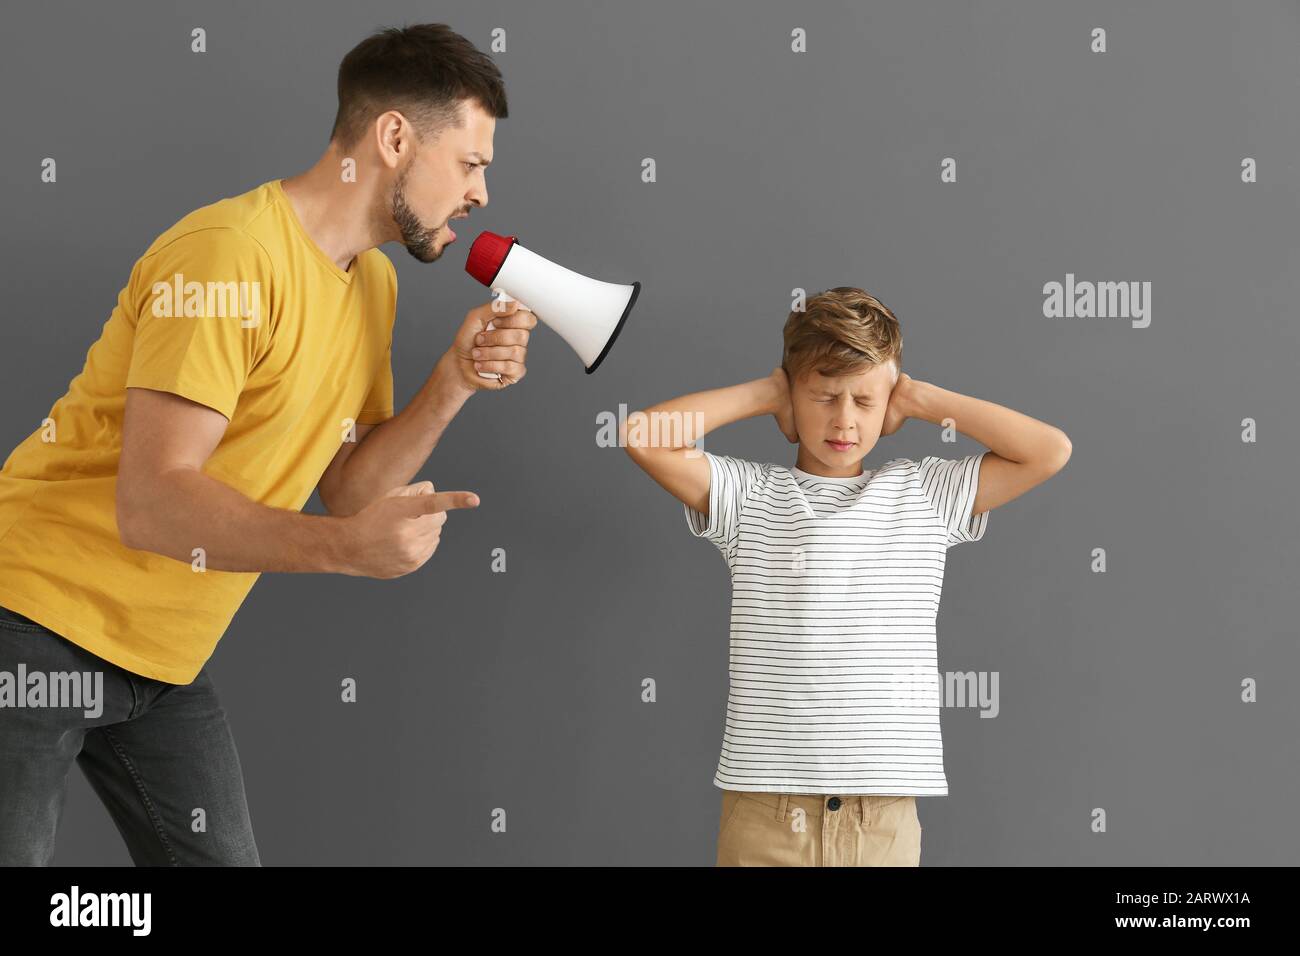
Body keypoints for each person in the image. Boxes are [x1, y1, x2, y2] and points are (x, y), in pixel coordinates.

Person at [0, 23, 535, 865]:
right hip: (33, 619)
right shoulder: (228, 257)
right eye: (471, 163)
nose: (481, 195)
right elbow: (152, 502)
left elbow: (349, 489)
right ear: (395, 138)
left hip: (165, 653)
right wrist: (345, 553)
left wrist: (454, 382)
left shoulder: (373, 283)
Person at [622, 286, 1072, 866]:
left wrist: (922, 397)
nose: (844, 419)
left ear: (888, 405)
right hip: (765, 811)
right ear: (793, 397)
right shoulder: (750, 496)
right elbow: (641, 436)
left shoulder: (925, 495)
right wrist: (768, 392)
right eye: (823, 396)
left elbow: (1049, 450)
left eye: (864, 400)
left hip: (879, 818)